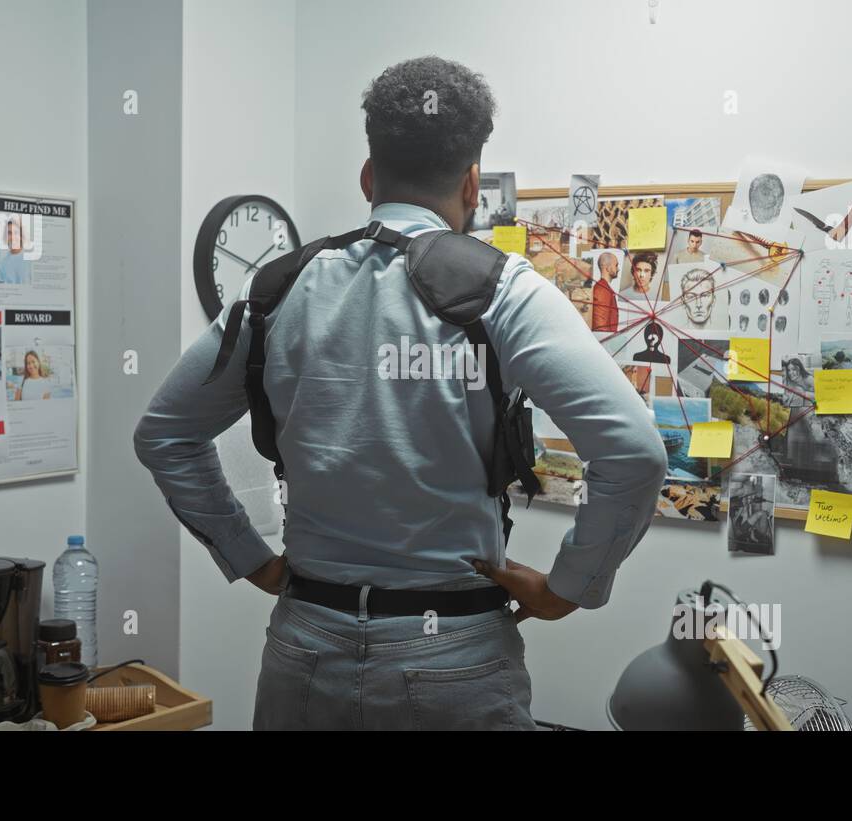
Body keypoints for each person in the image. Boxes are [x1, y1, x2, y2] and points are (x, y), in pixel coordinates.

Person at [134, 56, 667, 731]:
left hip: (304, 649)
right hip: (453, 659)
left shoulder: (274, 289)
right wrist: (569, 587)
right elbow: (635, 451)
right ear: (473, 183)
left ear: (368, 174)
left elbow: (164, 433)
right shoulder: (505, 289)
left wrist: (249, 557)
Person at [0, 216, 32, 284]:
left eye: (16, 232)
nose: (12, 237)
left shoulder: (30, 260)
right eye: (9, 233)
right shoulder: (2, 264)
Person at [590, 250, 620, 332]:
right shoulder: (602, 289)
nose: (618, 269)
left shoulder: (604, 288)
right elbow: (600, 325)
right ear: (607, 267)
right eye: (616, 265)